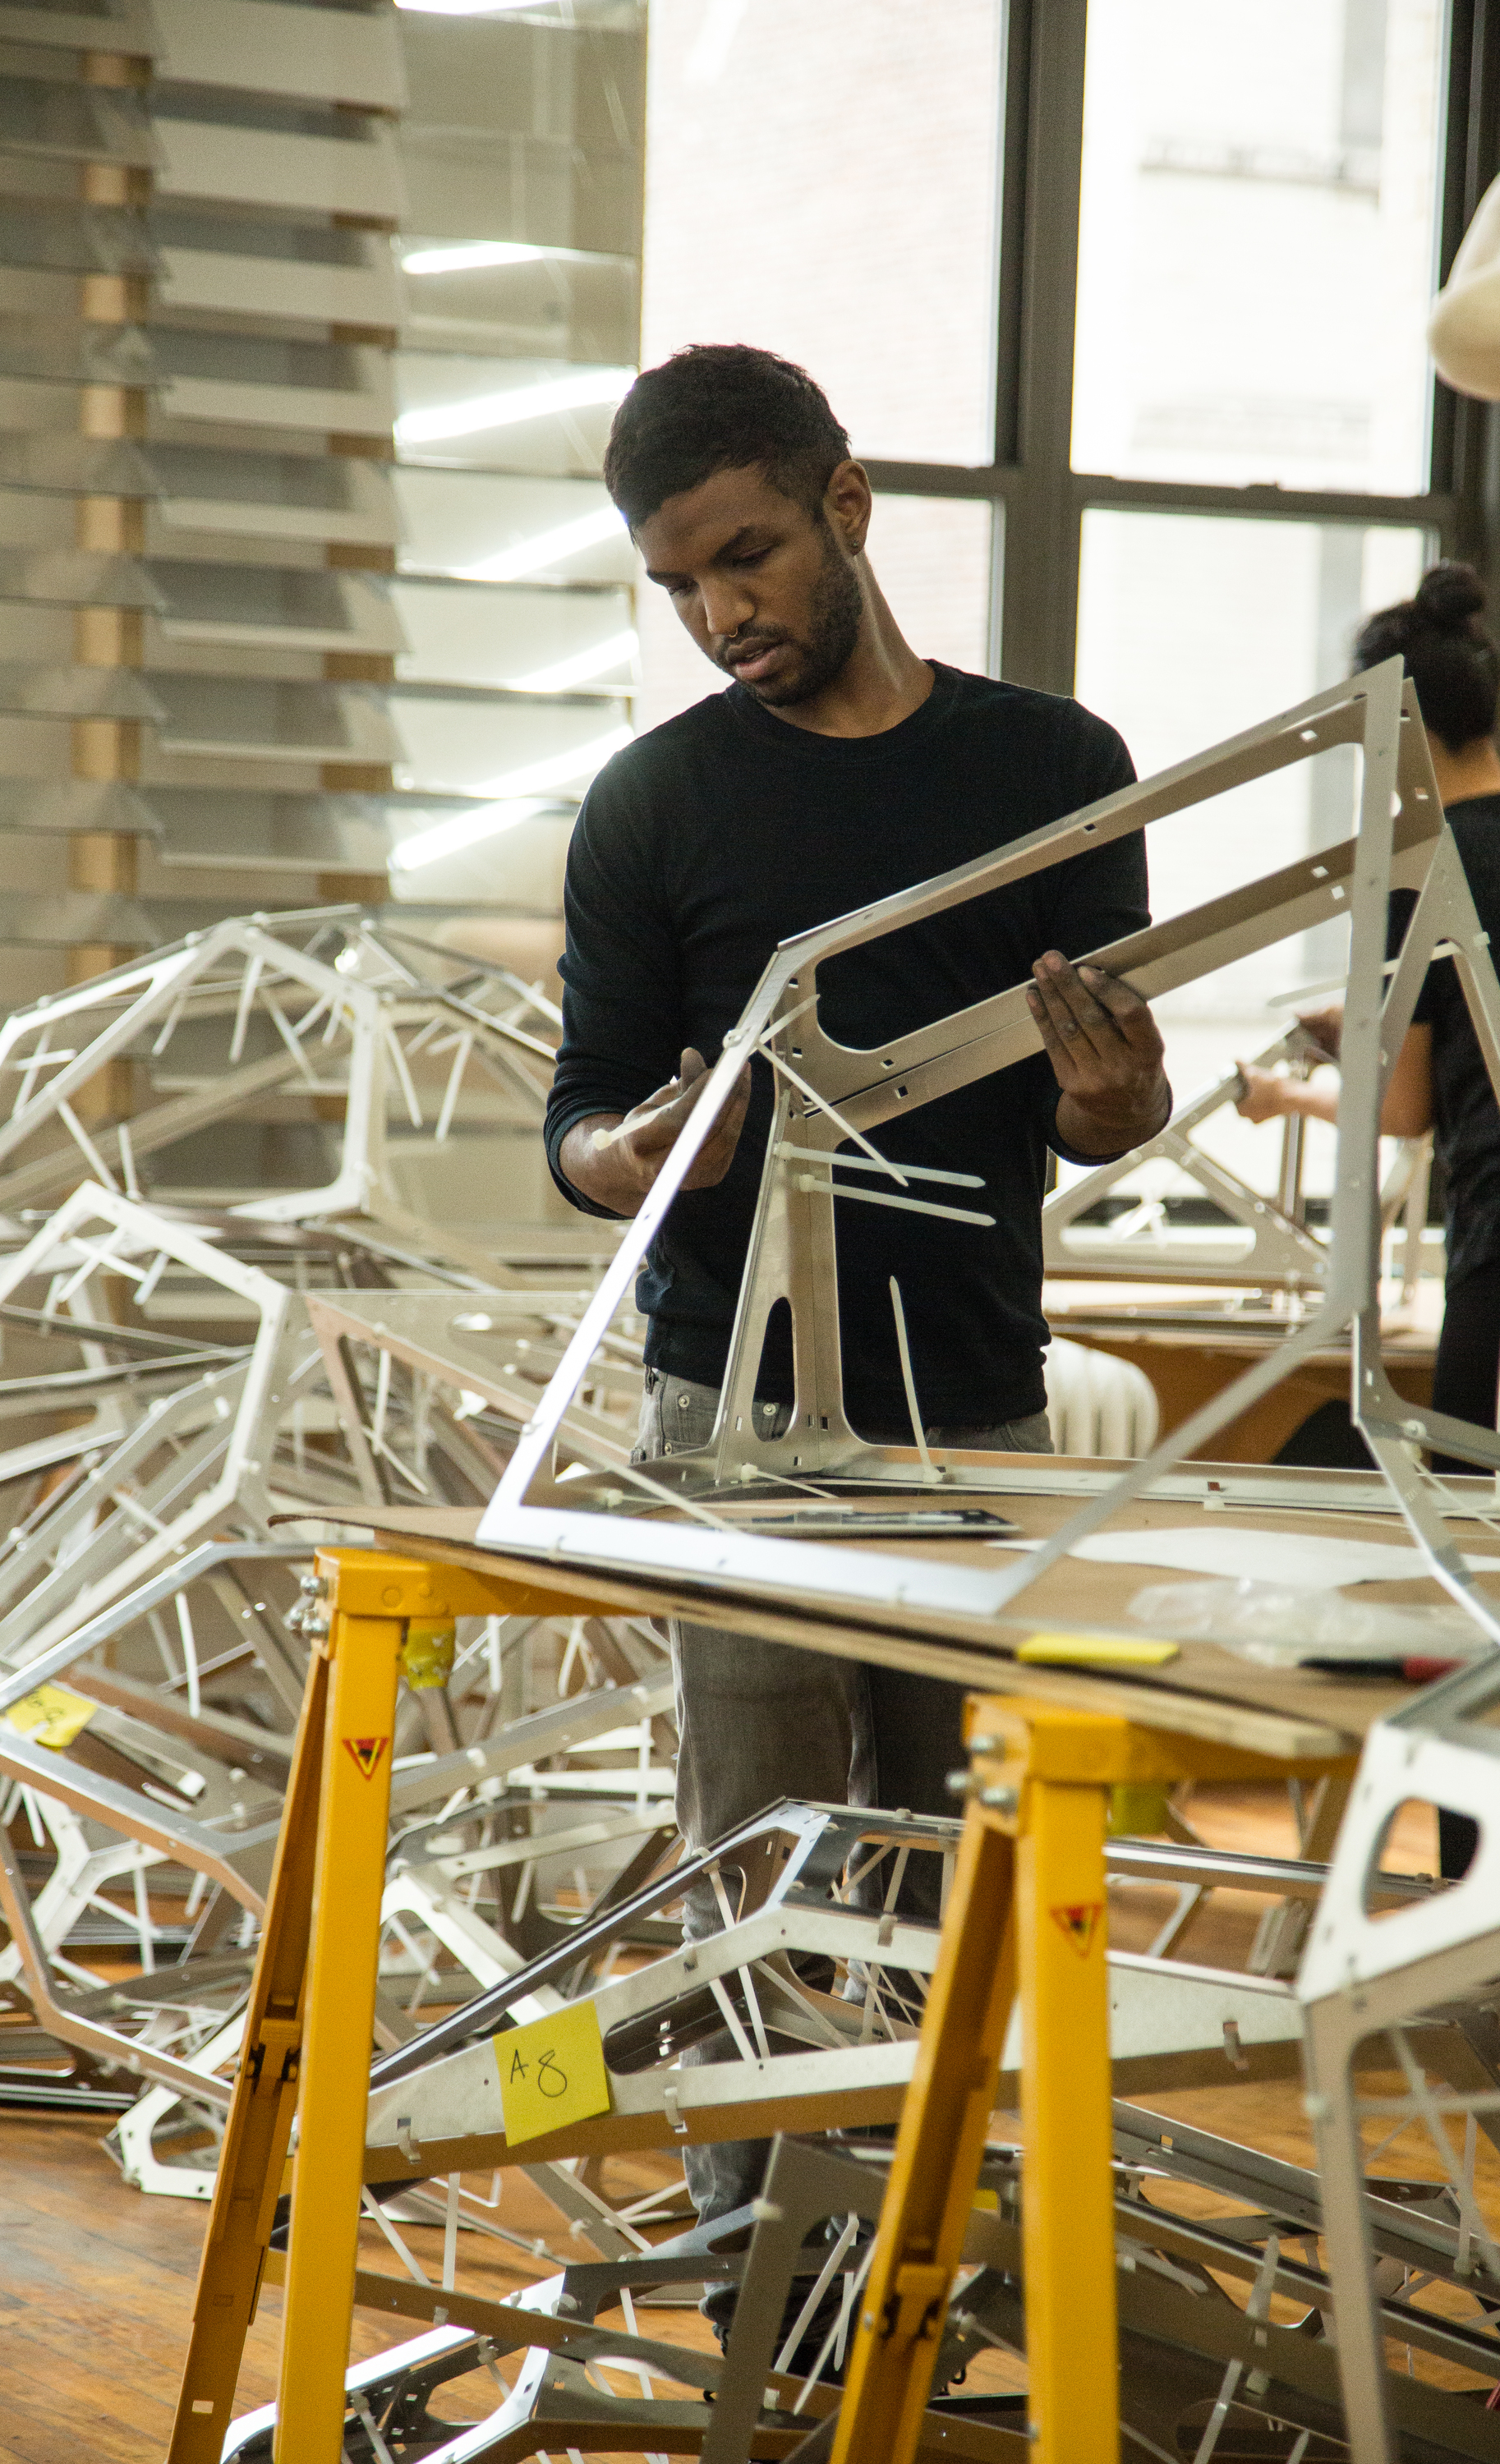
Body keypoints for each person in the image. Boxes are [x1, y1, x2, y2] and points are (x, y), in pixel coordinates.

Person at [545, 342, 1170, 2258]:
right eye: (677, 588)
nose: (718, 616)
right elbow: (574, 1121)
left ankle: (922, 2264)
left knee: (941, 1877)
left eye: (742, 559)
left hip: (975, 1410)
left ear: (846, 500)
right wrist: (635, 1154)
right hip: (728, 1426)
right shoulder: (649, 804)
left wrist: (1109, 1096)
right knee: (763, 1872)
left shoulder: (1052, 769)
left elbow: (1101, 1118)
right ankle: (760, 2275)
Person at [1235, 559, 1500, 1478]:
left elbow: (1399, 1112)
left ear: (1391, 728)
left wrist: (1282, 1095)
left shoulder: (1417, 871)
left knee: (1484, 1527)